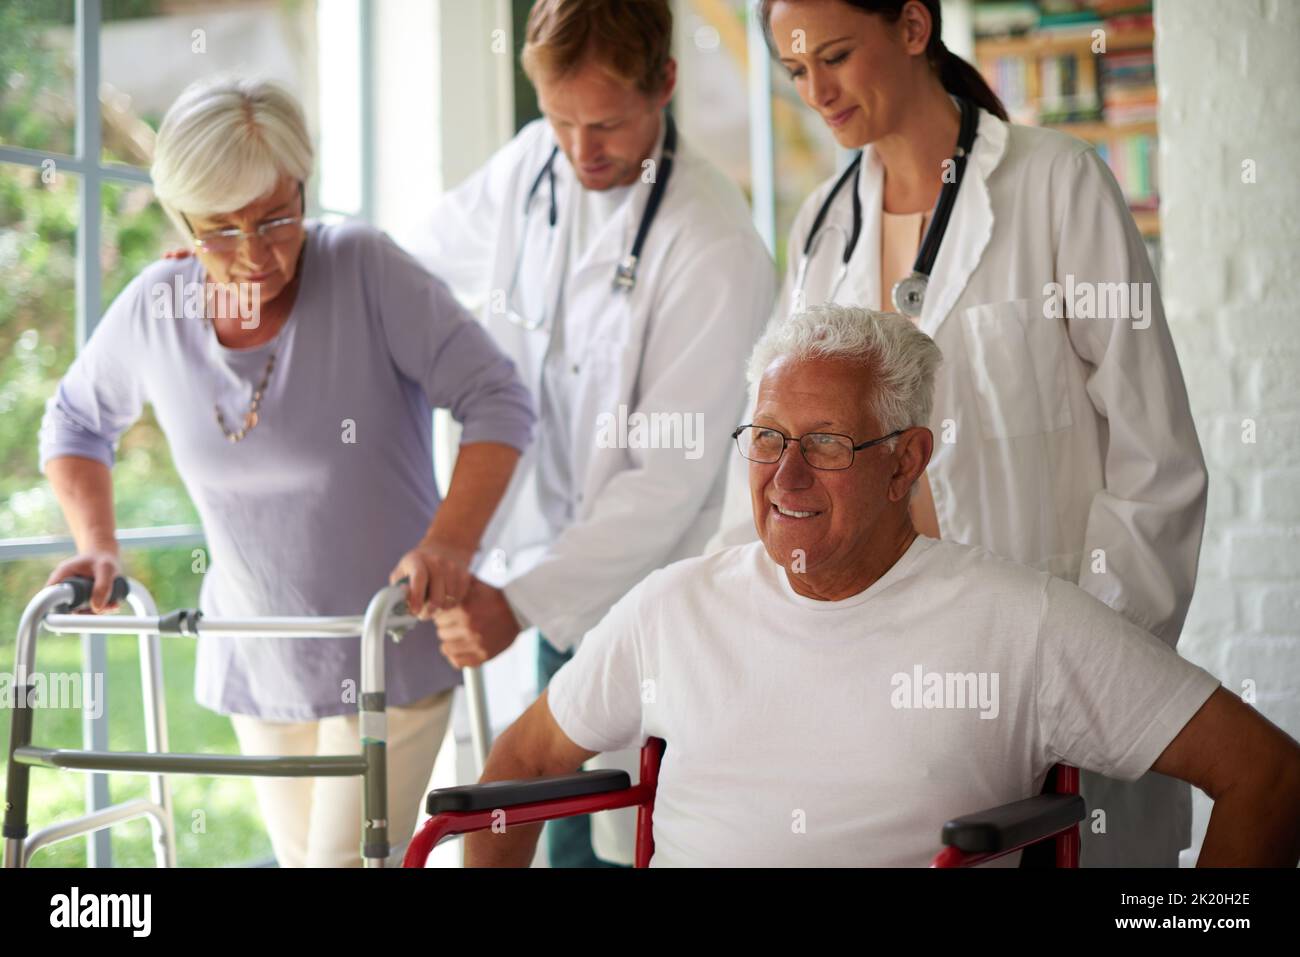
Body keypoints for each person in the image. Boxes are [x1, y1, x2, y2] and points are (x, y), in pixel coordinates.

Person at [463, 305, 1300, 868]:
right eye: (765, 437)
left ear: (906, 461)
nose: (784, 474)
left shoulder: (1020, 621)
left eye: (825, 443)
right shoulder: (670, 608)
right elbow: (521, 761)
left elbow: (1267, 773)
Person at [708, 0, 1209, 866]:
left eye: (835, 56)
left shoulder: (1058, 184)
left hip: (1060, 656)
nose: (817, 92)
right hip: (886, 679)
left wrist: (1084, 672)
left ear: (912, 27)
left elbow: (1155, 459)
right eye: (795, 72)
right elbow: (787, 441)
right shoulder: (822, 229)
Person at [38, 76, 535, 867]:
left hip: (386, 649)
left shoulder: (365, 269)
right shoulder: (156, 306)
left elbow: (499, 399)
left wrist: (451, 544)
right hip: (259, 653)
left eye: (275, 216)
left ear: (303, 184)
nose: (254, 254)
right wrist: (98, 543)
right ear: (182, 221)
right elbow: (74, 421)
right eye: (219, 230)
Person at [405, 0, 776, 866]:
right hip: (548, 590)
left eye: (606, 124)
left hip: (651, 599)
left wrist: (524, 599)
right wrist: (283, 253)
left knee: (614, 840)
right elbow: (405, 266)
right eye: (561, 119)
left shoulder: (712, 244)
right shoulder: (536, 165)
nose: (582, 149)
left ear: (666, 87)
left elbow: (665, 480)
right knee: (543, 819)